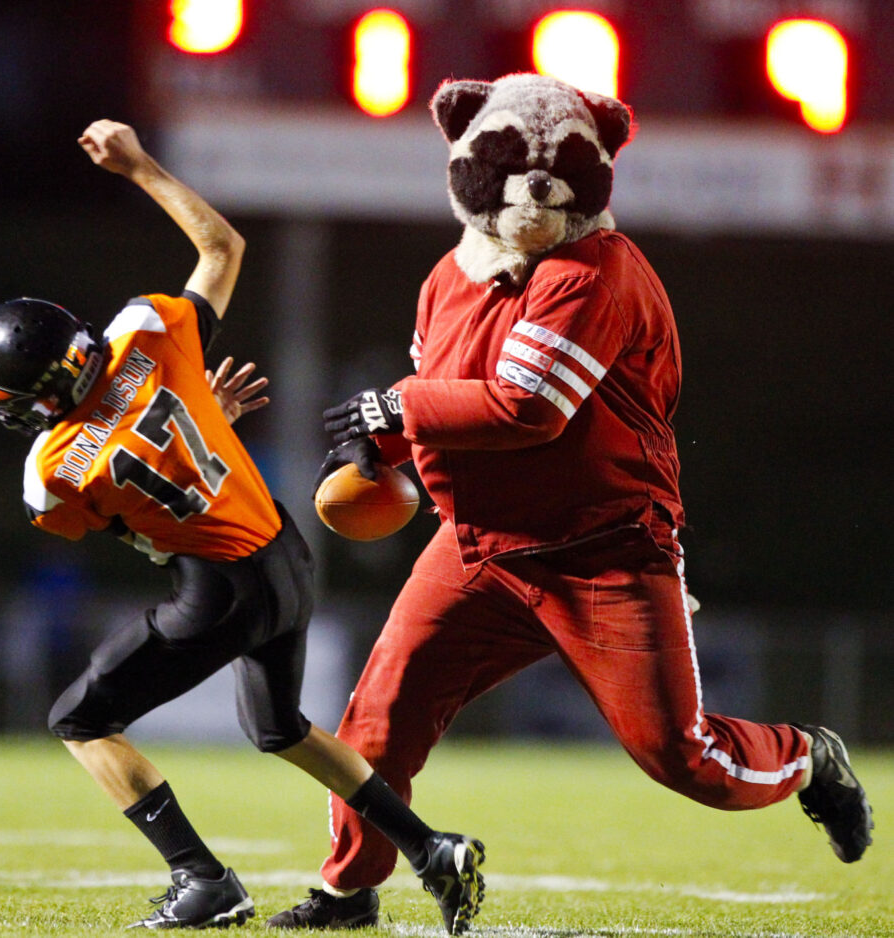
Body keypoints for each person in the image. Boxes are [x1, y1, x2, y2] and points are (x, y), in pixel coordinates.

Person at [267, 75, 874, 929]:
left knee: (681, 756)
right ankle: (347, 891)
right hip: (476, 546)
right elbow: (441, 396)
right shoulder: (448, 277)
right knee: (376, 723)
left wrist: (391, 407)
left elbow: (527, 409)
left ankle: (810, 761)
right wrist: (376, 450)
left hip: (602, 550)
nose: (534, 189)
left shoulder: (596, 269)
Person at [0, 119, 485, 933]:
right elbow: (222, 246)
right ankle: (429, 851)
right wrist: (137, 166)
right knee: (280, 729)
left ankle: (200, 877)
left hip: (219, 589)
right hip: (285, 556)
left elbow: (123, 514)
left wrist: (193, 420)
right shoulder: (147, 334)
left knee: (80, 717)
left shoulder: (51, 472)